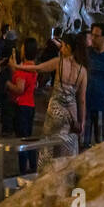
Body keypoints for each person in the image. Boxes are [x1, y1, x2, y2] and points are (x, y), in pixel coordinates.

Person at [20, 33, 86, 168]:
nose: (61, 50)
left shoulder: (59, 62)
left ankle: (46, 175)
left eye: (62, 47)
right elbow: (82, 100)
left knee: (48, 146)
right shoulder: (83, 71)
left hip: (55, 110)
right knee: (68, 149)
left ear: (67, 47)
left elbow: (37, 68)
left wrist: (17, 67)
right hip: (71, 114)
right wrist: (82, 122)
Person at [8, 38, 39, 175]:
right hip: (30, 105)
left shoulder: (23, 70)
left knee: (22, 140)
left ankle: (23, 170)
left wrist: (7, 84)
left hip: (21, 106)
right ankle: (33, 166)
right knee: (29, 138)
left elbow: (19, 89)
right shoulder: (33, 67)